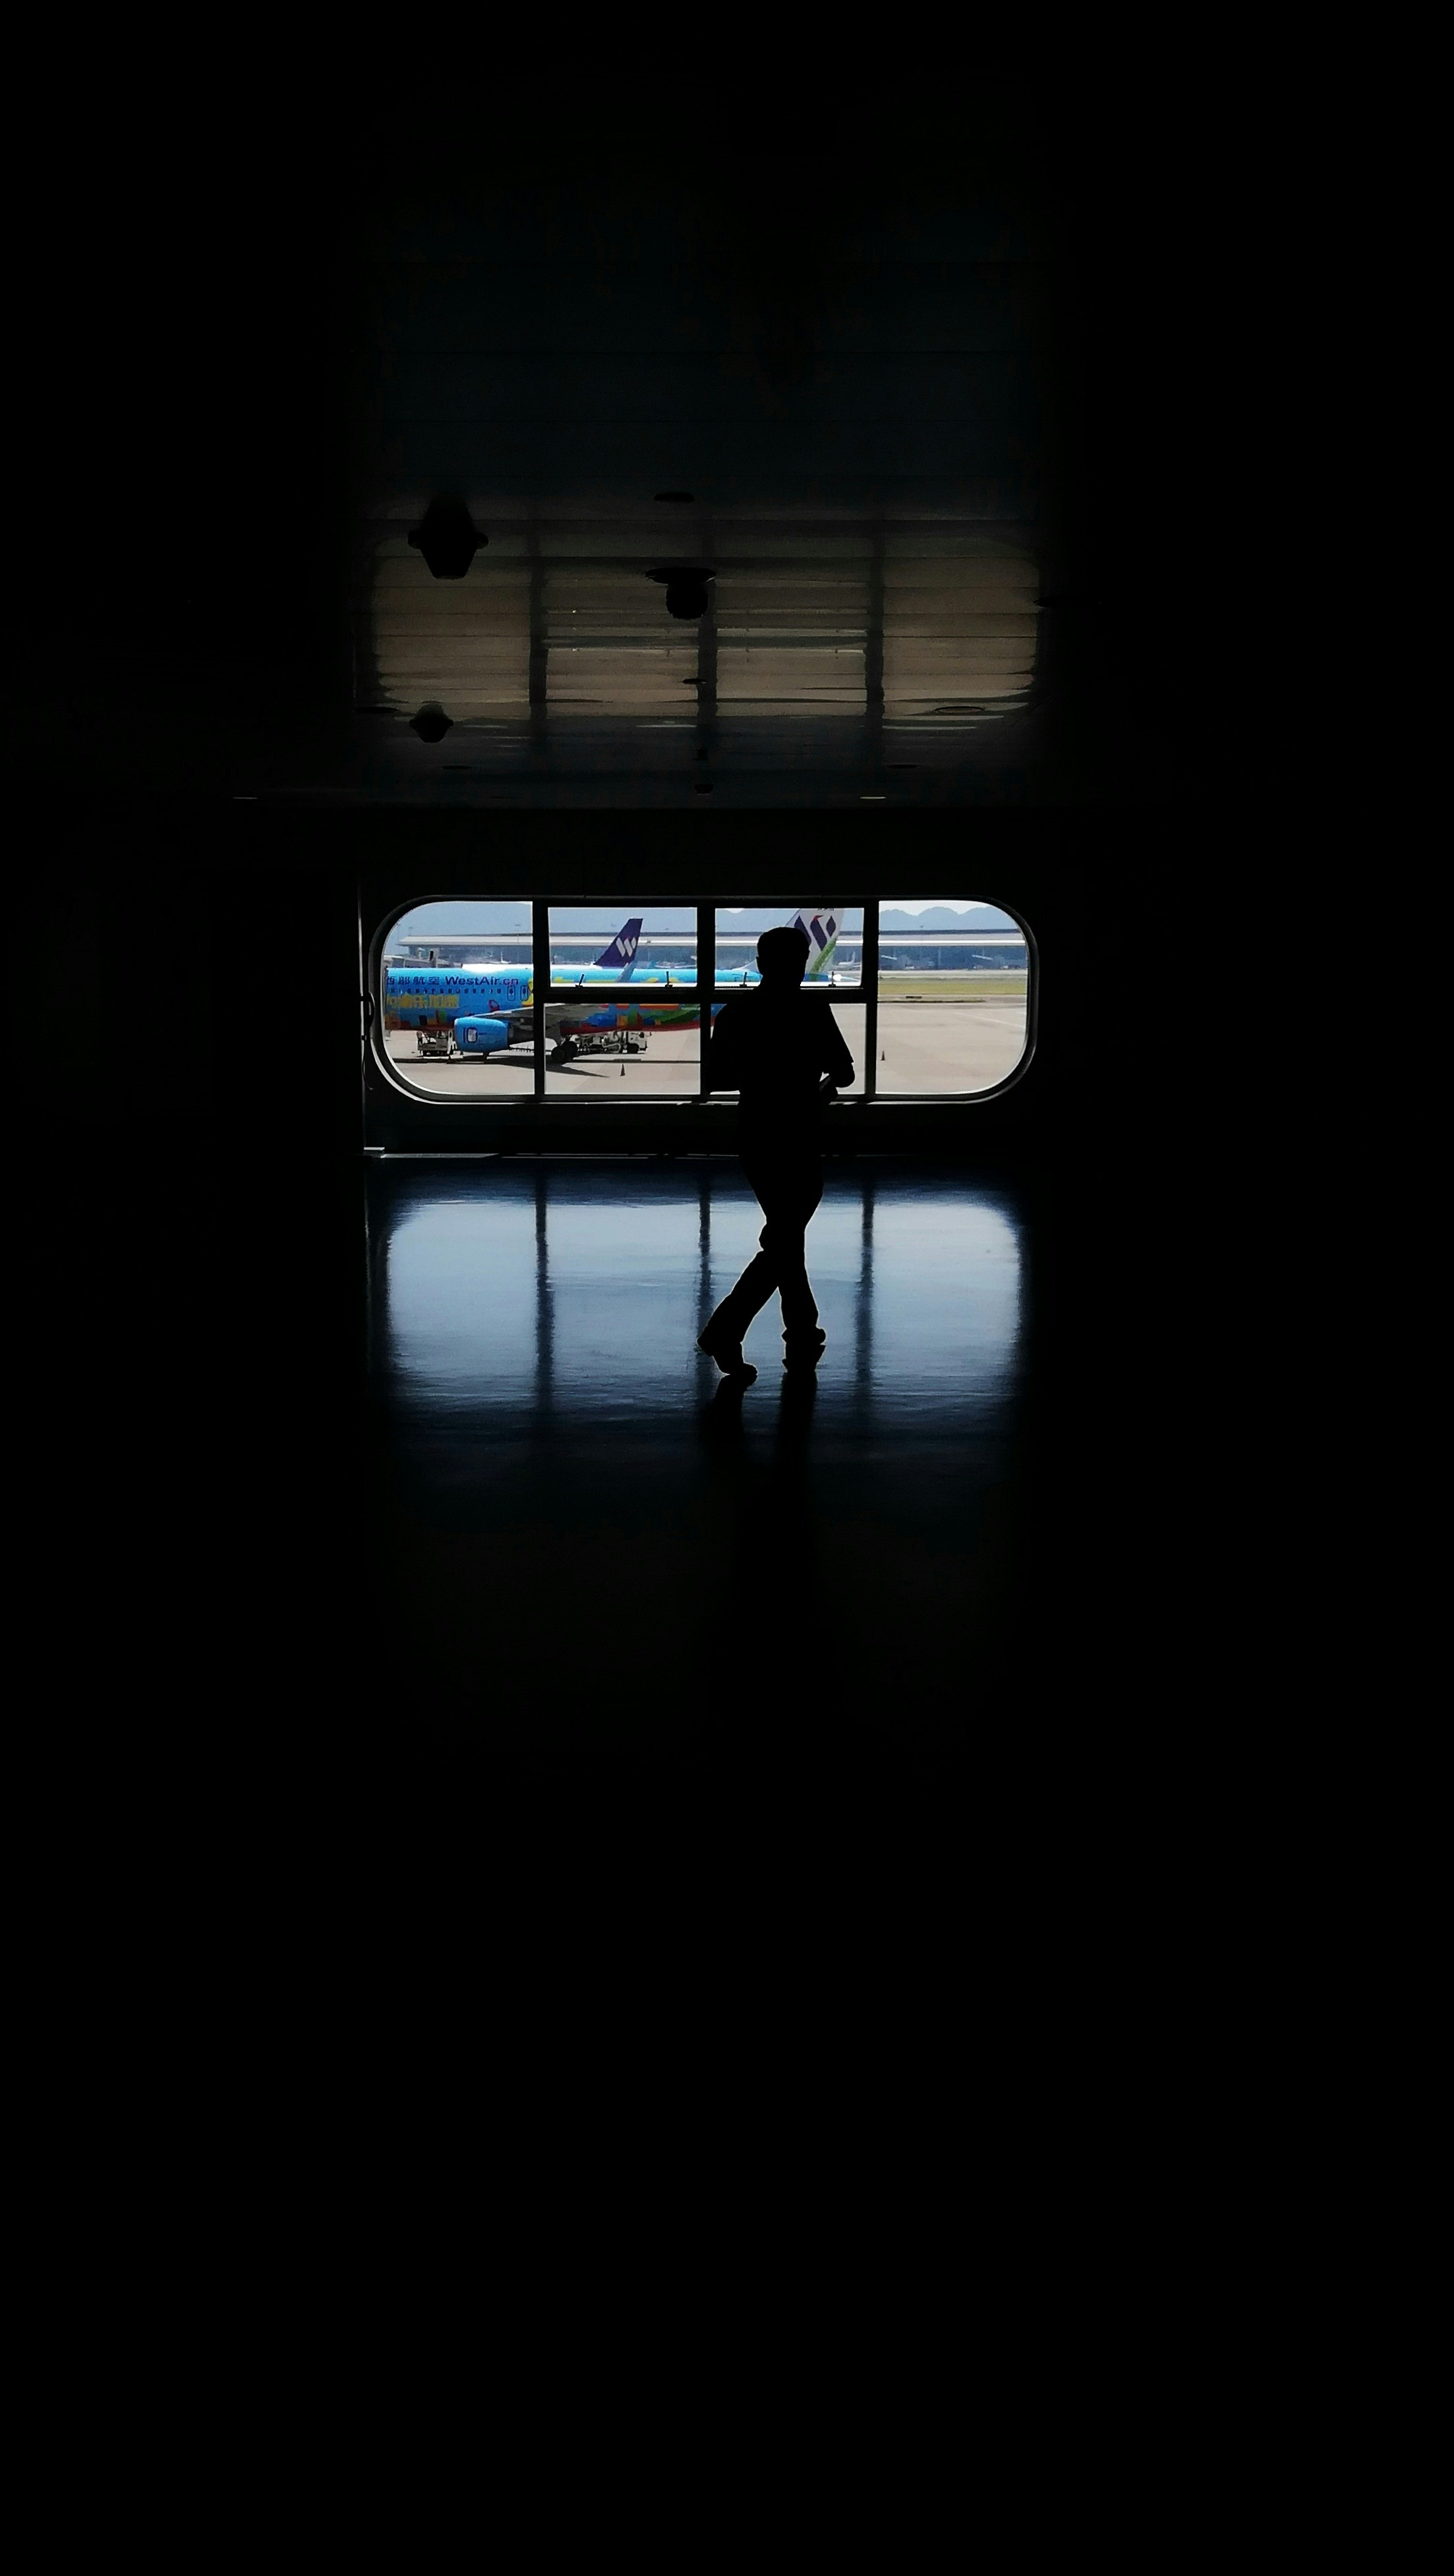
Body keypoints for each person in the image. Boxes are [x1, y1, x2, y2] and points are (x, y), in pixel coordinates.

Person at [697, 924, 854, 1382]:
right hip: (800, 1135)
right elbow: (843, 1074)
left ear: (760, 963)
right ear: (801, 963)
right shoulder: (812, 1009)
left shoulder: (735, 1013)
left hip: (755, 1135)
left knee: (786, 1238)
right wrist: (812, 1097)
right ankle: (731, 1329)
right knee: (786, 1239)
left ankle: (801, 1331)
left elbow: (718, 1078)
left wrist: (758, 1077)